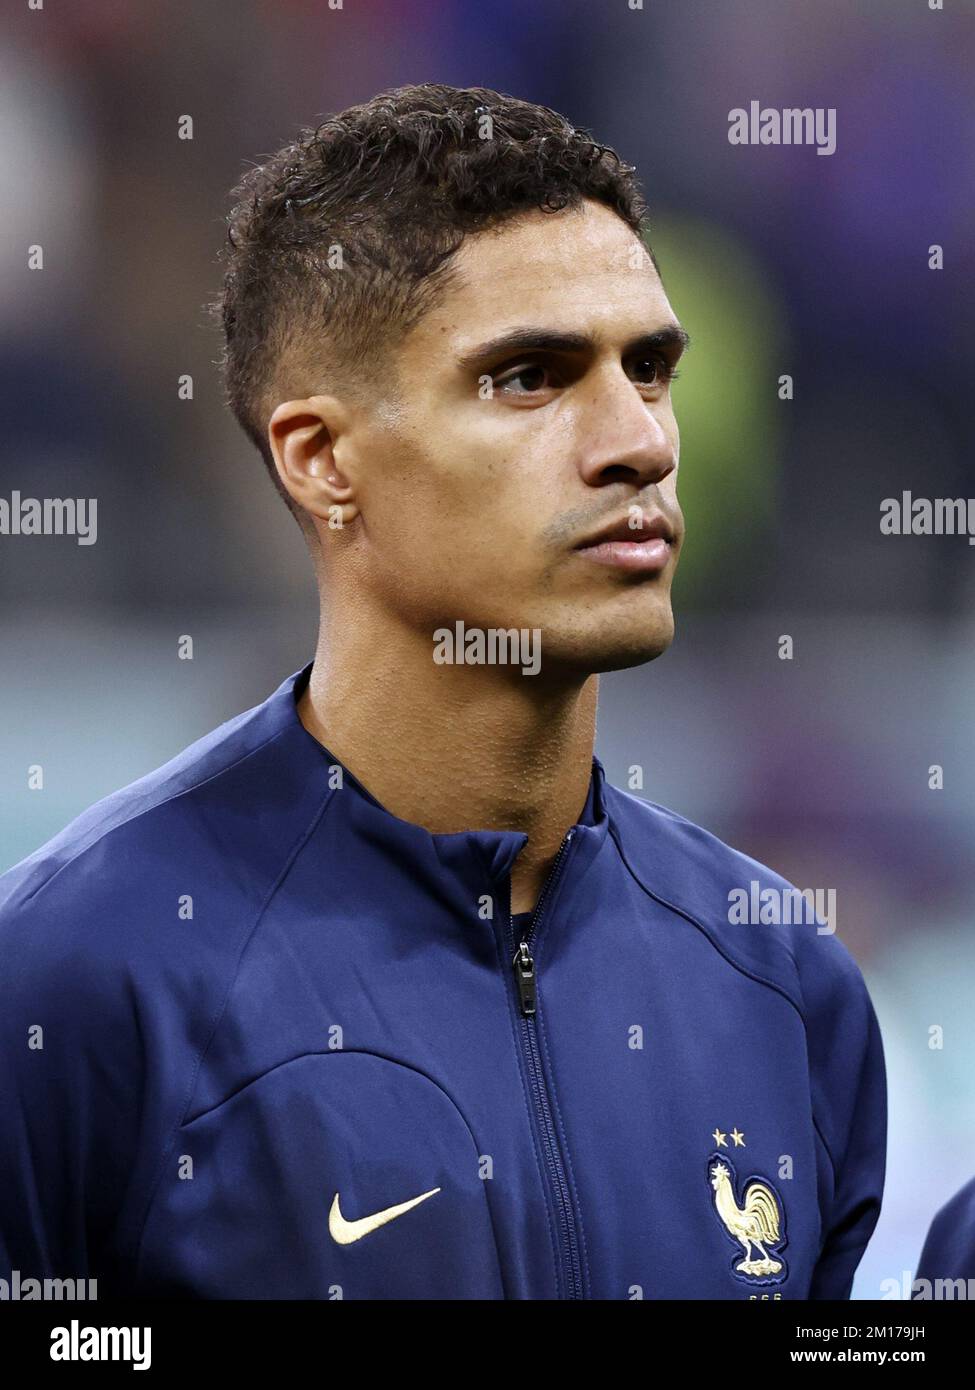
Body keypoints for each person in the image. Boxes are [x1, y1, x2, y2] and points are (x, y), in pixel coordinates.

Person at [0, 83, 886, 1300]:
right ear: (323, 461)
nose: (641, 441)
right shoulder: (69, 977)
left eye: (651, 368)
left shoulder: (782, 980)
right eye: (530, 377)